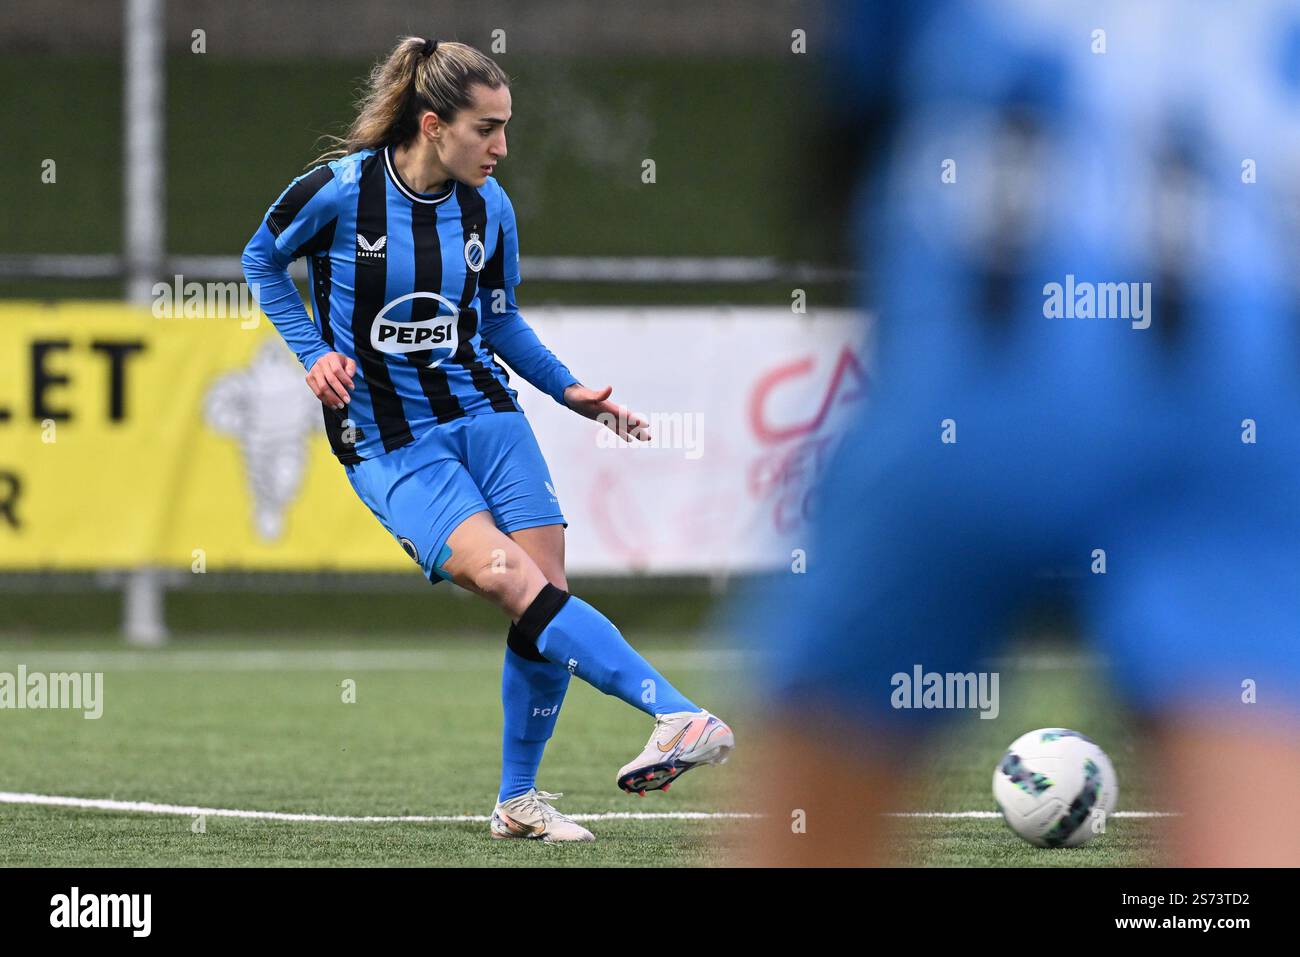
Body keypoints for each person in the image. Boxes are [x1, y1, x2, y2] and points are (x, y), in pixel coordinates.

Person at [744, 0, 1300, 866]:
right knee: (1245, 822)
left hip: (977, 369)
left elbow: (850, 139)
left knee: (814, 809)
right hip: (1227, 383)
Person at [241, 37, 734, 844]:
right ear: (433, 124)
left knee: (542, 589)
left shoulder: (488, 208)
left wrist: (569, 390)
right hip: (390, 440)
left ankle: (517, 801)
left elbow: (497, 317)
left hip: (486, 412)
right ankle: (676, 712)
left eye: (507, 127)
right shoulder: (336, 192)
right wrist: (313, 351)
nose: (502, 147)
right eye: (487, 128)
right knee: (512, 582)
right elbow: (261, 258)